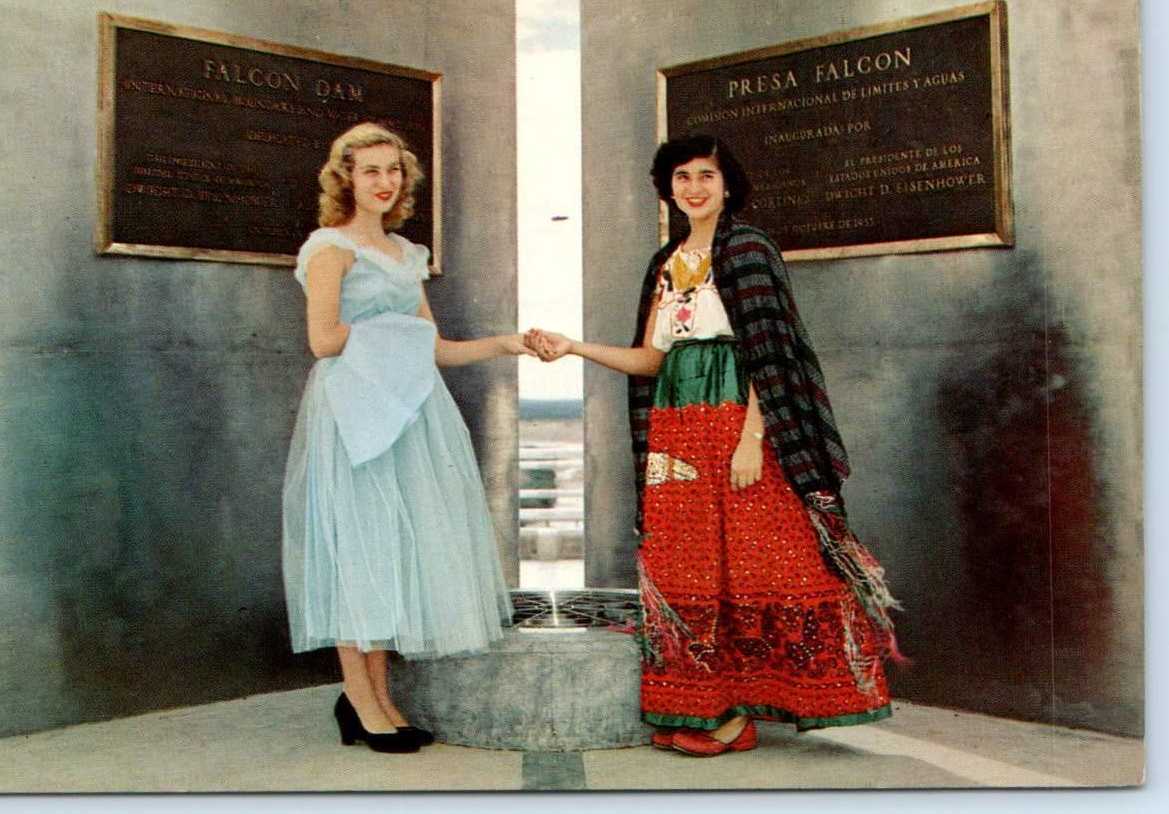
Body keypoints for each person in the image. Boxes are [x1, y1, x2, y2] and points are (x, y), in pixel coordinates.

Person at [526, 135, 903, 757]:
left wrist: (754, 438)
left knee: (764, 560)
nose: (694, 187)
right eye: (682, 177)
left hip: (739, 424)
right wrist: (574, 347)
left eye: (707, 175)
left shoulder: (749, 248)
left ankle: (744, 711)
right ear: (668, 188)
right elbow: (651, 359)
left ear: (728, 185)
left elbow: (772, 353)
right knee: (688, 566)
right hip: (676, 429)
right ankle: (706, 710)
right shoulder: (666, 262)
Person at [283, 122, 525, 754]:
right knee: (356, 548)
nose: (384, 183)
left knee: (390, 546)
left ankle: (381, 696)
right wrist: (396, 334)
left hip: (410, 409)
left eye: (393, 171)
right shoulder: (330, 247)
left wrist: (508, 342)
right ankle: (359, 698)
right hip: (354, 408)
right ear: (347, 180)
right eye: (371, 172)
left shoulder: (405, 254)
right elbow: (324, 339)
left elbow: (435, 346)